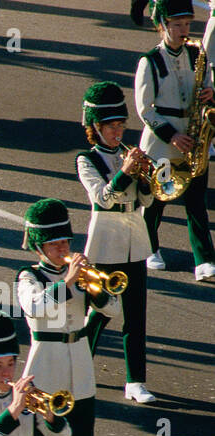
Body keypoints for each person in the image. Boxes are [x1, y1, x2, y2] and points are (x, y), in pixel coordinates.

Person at [15, 199, 119, 436]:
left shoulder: (81, 272)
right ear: (40, 246)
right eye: (56, 244)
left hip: (79, 361)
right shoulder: (28, 276)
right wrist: (69, 282)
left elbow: (113, 309)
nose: (64, 249)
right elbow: (35, 307)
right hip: (46, 361)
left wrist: (97, 288)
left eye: (66, 243)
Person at [77, 80, 158, 404]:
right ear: (95, 128)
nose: (118, 132)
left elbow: (148, 202)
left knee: (136, 314)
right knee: (100, 310)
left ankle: (135, 380)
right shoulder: (86, 159)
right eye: (110, 126)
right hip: (104, 239)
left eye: (121, 125)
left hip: (134, 238)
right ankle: (80, 366)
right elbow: (103, 197)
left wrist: (148, 180)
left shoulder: (130, 155)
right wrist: (125, 172)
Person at [134, 0, 215, 282]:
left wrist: (209, 95)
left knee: (196, 201)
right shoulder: (150, 61)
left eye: (187, 24)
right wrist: (171, 135)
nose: (184, 31)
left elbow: (208, 87)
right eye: (177, 25)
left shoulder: (196, 55)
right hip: (162, 142)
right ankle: (149, 247)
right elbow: (144, 108)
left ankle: (204, 258)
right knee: (158, 197)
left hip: (192, 136)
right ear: (162, 27)